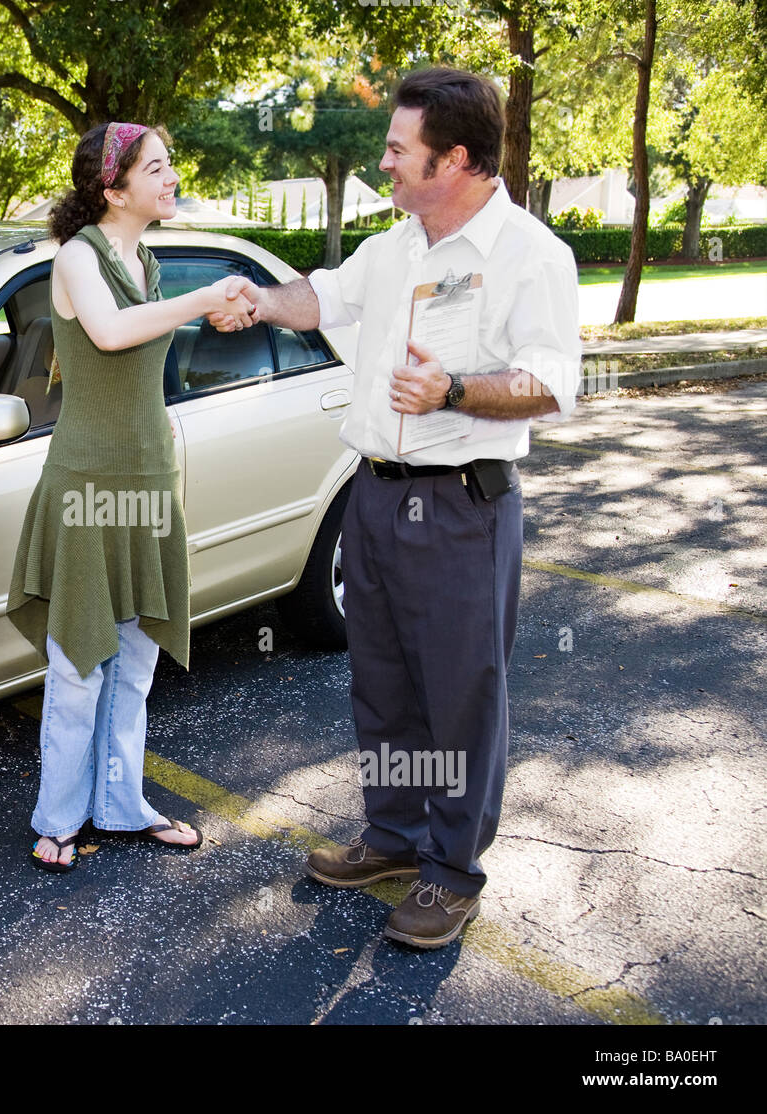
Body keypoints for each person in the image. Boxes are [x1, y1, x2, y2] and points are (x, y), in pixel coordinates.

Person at [211, 68, 580, 946]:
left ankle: (451, 873)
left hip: (461, 511)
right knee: (384, 687)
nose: (384, 163)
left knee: (460, 695)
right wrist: (263, 301)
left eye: (397, 150)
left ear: (454, 159)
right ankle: (394, 836)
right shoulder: (401, 242)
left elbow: (552, 381)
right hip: (372, 501)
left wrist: (452, 389)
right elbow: (327, 295)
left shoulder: (533, 254)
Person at [7, 121, 255, 872]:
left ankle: (119, 806)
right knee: (81, 655)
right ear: (112, 188)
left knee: (135, 656)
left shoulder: (142, 258)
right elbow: (111, 334)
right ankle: (57, 817)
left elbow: (143, 330)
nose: (171, 176)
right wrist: (201, 298)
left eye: (170, 164)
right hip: (88, 481)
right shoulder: (78, 256)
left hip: (148, 476)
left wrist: (218, 307)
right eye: (157, 167)